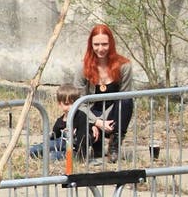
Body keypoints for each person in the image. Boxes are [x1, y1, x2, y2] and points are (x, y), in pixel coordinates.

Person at [73, 24, 133, 164]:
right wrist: (97, 122)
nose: (101, 49)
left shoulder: (124, 66)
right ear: (91, 45)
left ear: (111, 44)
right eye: (97, 44)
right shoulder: (82, 68)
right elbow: (78, 103)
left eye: (105, 44)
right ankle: (92, 145)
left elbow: (126, 97)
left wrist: (107, 123)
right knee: (86, 139)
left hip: (113, 114)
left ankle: (114, 144)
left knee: (126, 100)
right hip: (90, 113)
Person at [29, 84, 81, 160]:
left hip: (73, 150)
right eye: (67, 104)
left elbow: (84, 140)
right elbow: (54, 137)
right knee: (34, 150)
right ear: (60, 104)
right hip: (60, 144)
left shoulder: (81, 117)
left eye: (73, 104)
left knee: (52, 156)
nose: (71, 107)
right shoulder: (59, 121)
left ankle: (48, 156)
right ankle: (38, 153)